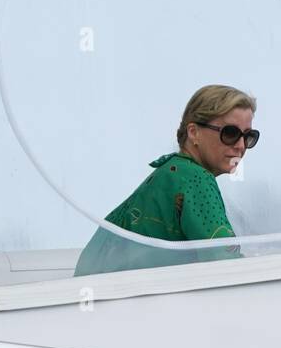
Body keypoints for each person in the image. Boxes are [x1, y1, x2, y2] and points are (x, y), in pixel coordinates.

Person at [73, 85, 259, 277]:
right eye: (230, 133)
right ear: (194, 132)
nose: (240, 146)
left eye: (249, 137)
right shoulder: (196, 179)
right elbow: (225, 263)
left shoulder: (170, 172)